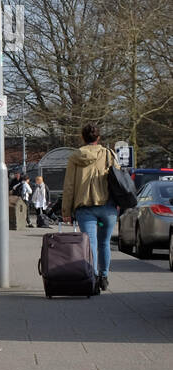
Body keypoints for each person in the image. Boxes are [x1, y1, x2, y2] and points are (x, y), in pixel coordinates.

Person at [61, 123, 118, 292]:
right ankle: (104, 276)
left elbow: (69, 185)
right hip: (107, 206)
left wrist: (66, 211)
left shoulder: (75, 157)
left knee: (89, 244)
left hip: (84, 207)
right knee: (105, 243)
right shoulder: (109, 154)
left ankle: (92, 279)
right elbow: (118, 180)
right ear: (98, 138)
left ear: (82, 138)